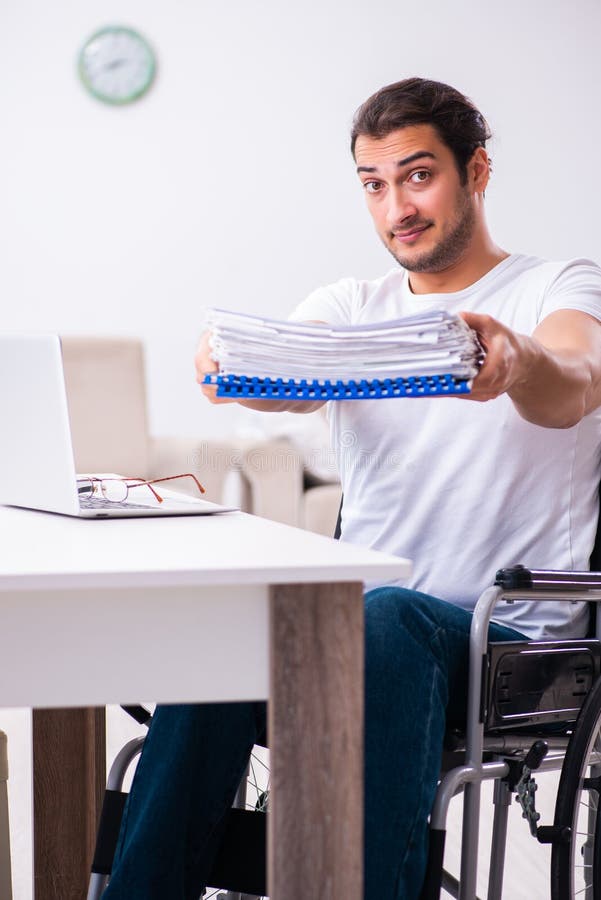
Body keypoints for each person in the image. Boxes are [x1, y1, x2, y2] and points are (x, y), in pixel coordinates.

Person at [103, 77, 601, 900]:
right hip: (368, 637)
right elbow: (286, 372)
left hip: (507, 643)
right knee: (227, 632)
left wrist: (513, 362)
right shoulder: (350, 305)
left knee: (381, 612)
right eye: (374, 185)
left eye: (417, 175)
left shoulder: (556, 287)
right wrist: (232, 360)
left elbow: (576, 379)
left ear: (475, 171)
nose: (395, 208)